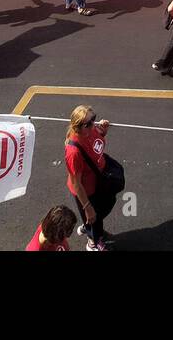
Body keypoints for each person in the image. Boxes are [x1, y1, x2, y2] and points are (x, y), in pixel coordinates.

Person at [65, 104, 116, 250]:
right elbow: (76, 183)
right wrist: (87, 207)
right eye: (88, 123)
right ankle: (92, 241)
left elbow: (96, 145)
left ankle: (90, 226)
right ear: (78, 127)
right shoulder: (73, 152)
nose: (93, 124)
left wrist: (103, 132)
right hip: (86, 190)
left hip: (98, 181)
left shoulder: (91, 130)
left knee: (107, 204)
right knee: (93, 215)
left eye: (93, 119)